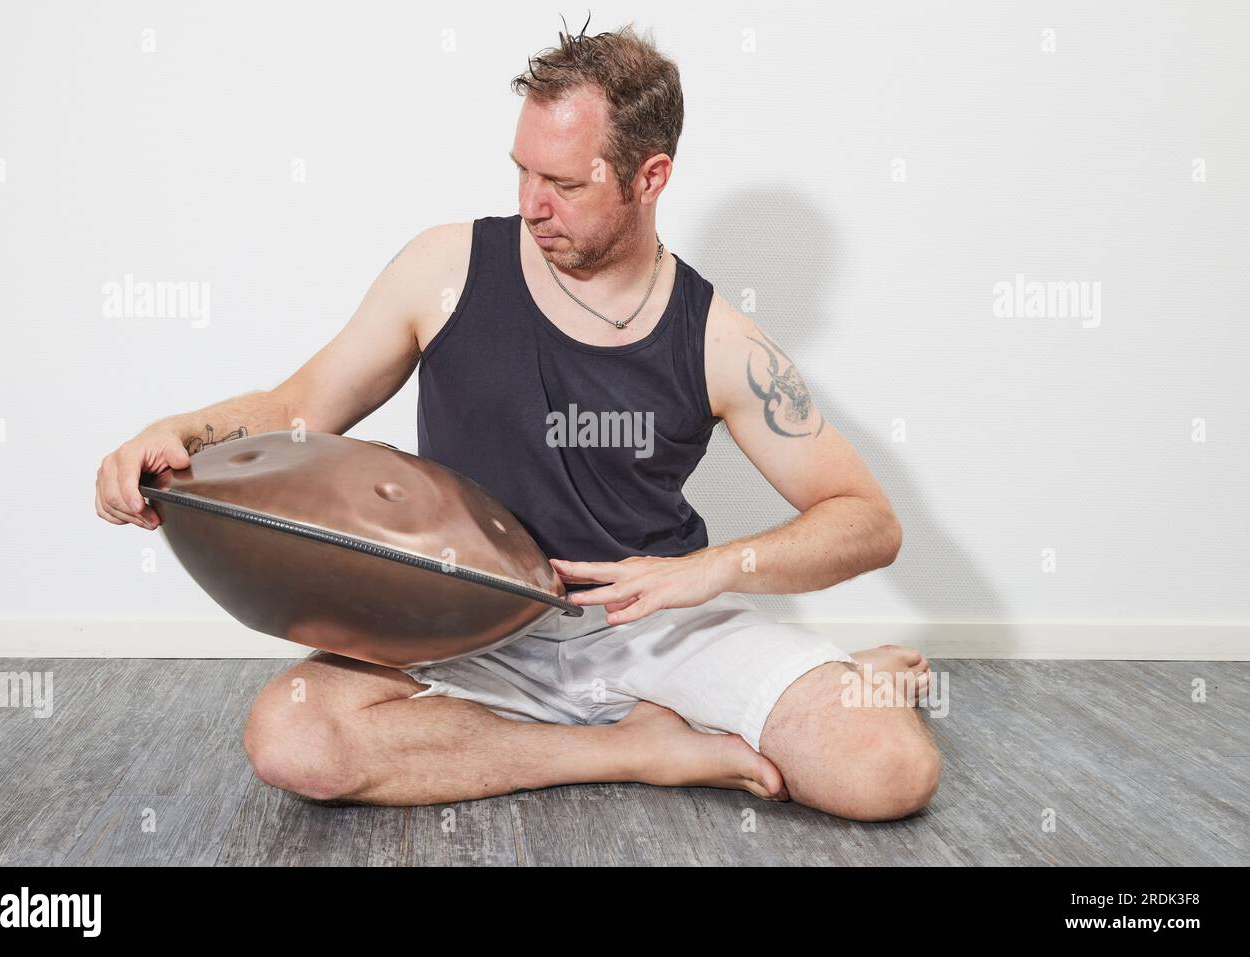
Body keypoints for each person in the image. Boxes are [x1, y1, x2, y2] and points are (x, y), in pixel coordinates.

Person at [95, 21, 941, 821]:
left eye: (567, 184)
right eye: (523, 171)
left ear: (650, 177)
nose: (533, 204)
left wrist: (711, 570)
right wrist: (183, 431)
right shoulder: (445, 269)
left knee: (886, 769)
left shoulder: (720, 339)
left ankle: (816, 682)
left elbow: (868, 522)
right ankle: (633, 748)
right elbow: (295, 411)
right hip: (465, 627)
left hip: (649, 626)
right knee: (291, 735)